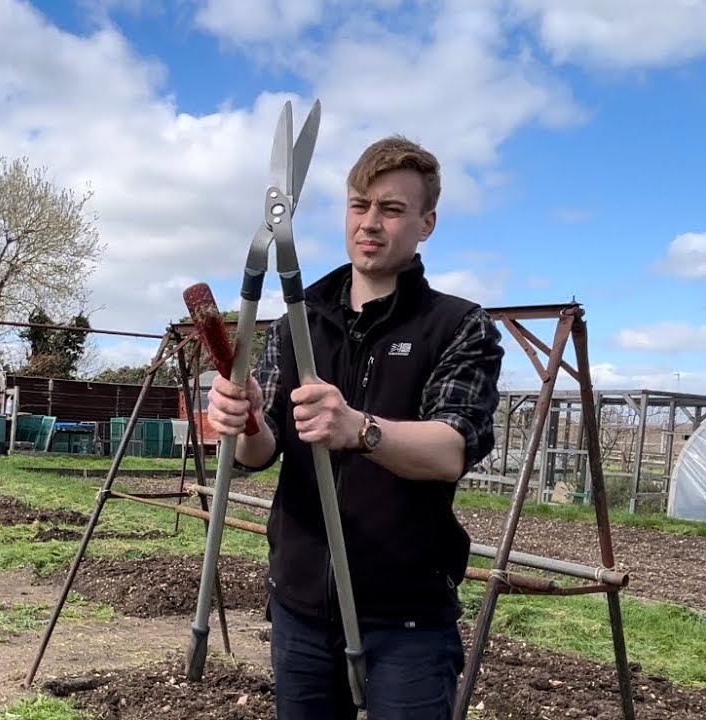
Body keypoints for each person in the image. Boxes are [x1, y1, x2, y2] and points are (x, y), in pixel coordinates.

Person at [206, 135, 504, 719]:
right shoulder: (300, 318)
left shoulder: (459, 326)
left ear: (427, 223)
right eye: (358, 205)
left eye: (391, 209)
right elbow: (259, 452)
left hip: (408, 618)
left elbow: (450, 447)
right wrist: (240, 422)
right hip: (300, 610)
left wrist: (360, 430)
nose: (370, 223)